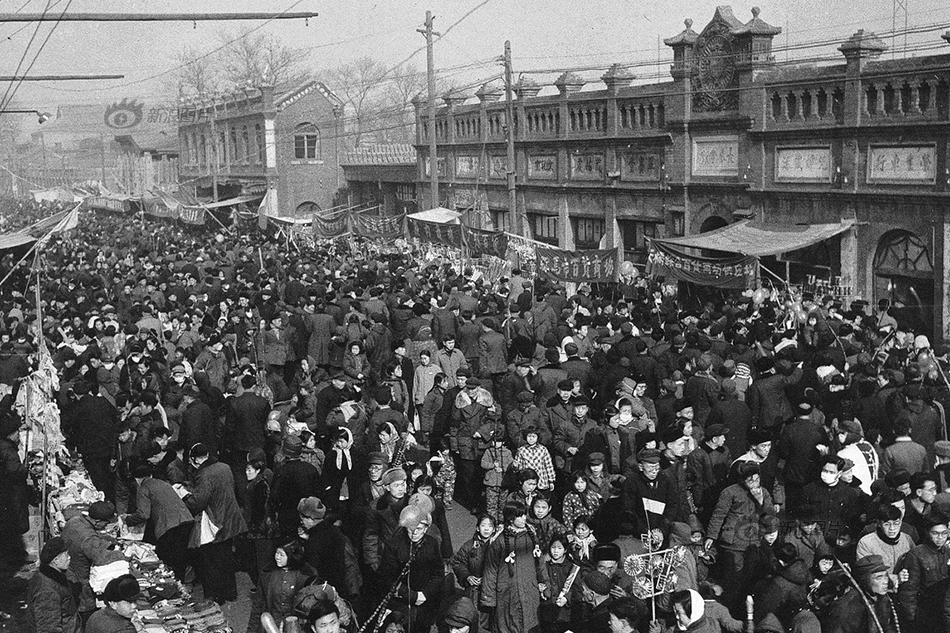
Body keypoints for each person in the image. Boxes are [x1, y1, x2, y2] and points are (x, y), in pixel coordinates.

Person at [183, 442, 248, 604]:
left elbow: (198, 502)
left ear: (195, 460)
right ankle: (230, 592)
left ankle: (216, 596)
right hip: (231, 517)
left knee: (211, 560)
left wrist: (184, 494)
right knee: (226, 556)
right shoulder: (224, 467)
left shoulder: (204, 475)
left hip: (215, 522)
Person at [480, 499, 548, 633]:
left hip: (529, 591)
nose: (524, 518)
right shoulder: (498, 540)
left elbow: (539, 563)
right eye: (520, 515)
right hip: (506, 594)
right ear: (511, 519)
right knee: (506, 626)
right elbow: (490, 570)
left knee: (530, 625)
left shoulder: (531, 536)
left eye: (524, 514)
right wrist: (488, 599)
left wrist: (546, 585)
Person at [123, 463, 194, 581]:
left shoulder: (143, 487)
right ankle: (182, 583)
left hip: (168, 525)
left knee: (168, 557)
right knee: (181, 555)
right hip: (186, 519)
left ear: (136, 479)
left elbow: (143, 514)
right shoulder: (162, 483)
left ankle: (174, 584)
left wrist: (128, 519)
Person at [820, 555, 900, 633]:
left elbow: (887, 627)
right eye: (879, 577)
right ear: (866, 580)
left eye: (886, 576)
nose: (885, 581)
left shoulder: (883, 599)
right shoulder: (847, 606)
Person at [26, 537, 78, 633]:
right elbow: (48, 628)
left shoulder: (53, 574)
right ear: (56, 560)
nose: (69, 557)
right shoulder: (47, 592)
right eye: (66, 555)